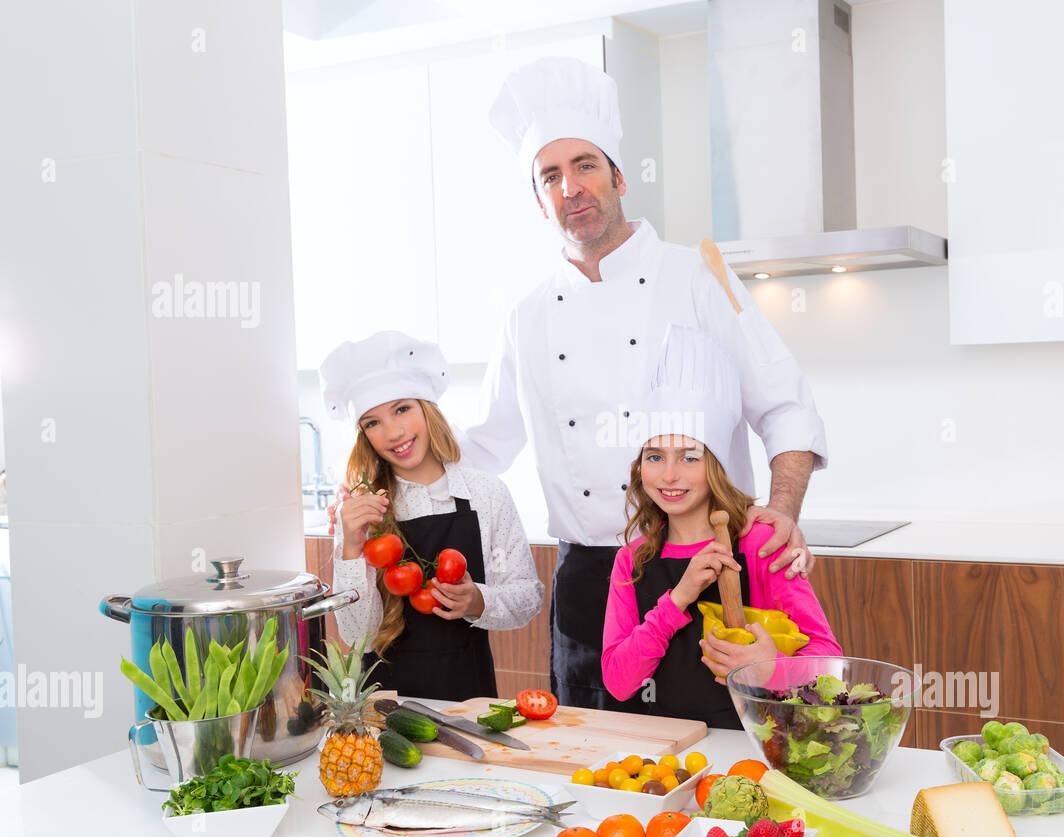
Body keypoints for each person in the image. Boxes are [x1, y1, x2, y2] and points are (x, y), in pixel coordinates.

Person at [454, 56, 830, 711]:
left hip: (710, 561)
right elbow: (482, 447)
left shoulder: (696, 276)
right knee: (598, 753)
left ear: (620, 176)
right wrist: (377, 478)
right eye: (550, 176)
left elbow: (785, 404)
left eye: (585, 166)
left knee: (726, 738)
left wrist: (782, 513)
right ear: (538, 200)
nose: (570, 188)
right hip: (590, 575)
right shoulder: (527, 316)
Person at [601, 327, 843, 728]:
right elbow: (619, 682)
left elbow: (829, 662)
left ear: (716, 465)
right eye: (655, 456)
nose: (669, 475)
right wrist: (678, 599)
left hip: (756, 740)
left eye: (689, 457)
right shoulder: (633, 560)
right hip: (670, 746)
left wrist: (772, 670)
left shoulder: (760, 544)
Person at [321, 331, 543, 699]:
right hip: (385, 704)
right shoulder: (361, 510)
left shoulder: (486, 493)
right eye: (372, 422)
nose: (393, 433)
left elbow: (527, 597)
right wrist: (351, 548)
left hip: (469, 697)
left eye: (402, 409)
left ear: (428, 409)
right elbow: (359, 636)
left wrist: (477, 601)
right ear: (364, 436)